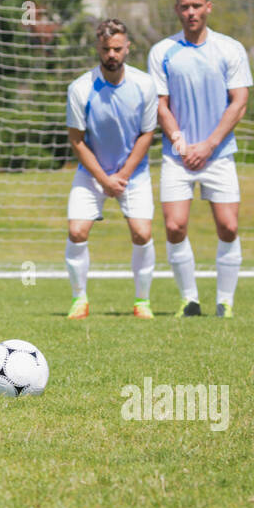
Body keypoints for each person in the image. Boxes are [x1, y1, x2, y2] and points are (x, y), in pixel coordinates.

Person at [146, 0, 252, 318]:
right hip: (178, 155)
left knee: (229, 226)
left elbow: (239, 102)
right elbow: (161, 104)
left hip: (217, 152)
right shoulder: (162, 51)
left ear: (208, 7)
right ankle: (189, 300)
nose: (191, 12)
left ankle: (225, 301)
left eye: (197, 6)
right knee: (175, 226)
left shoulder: (230, 48)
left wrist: (208, 145)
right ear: (177, 10)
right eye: (185, 7)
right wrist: (180, 141)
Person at [63, 19, 159, 320]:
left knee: (142, 234)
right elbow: (77, 141)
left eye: (117, 48)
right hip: (92, 174)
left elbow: (147, 134)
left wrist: (123, 176)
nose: (112, 55)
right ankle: (80, 300)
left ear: (127, 47)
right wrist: (103, 179)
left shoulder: (145, 85)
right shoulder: (80, 88)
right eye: (106, 49)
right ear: (98, 49)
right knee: (76, 231)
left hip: (134, 173)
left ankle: (141, 302)